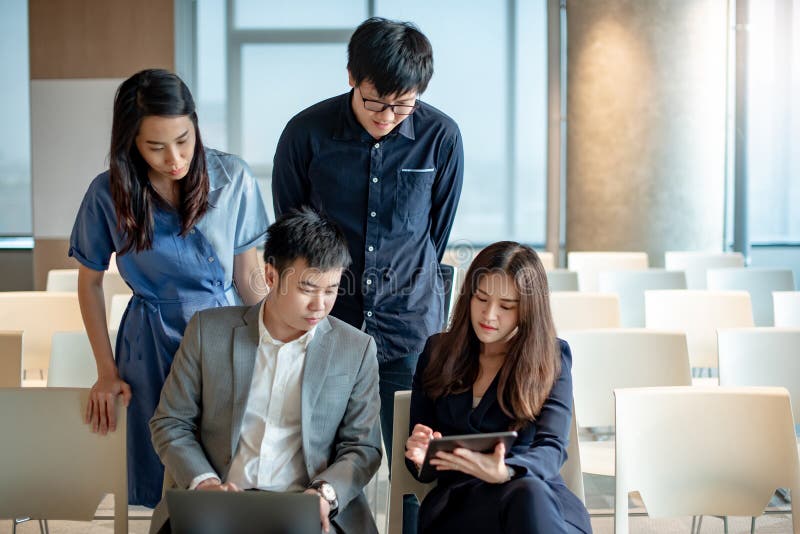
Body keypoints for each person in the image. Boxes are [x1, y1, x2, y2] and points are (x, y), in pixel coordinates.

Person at [272, 19, 463, 530]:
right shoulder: (306, 133)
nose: (388, 116)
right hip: (328, 328)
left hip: (409, 329)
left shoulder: (441, 138)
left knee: (416, 466)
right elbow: (293, 238)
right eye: (377, 102)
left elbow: (434, 234)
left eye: (403, 105)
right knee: (322, 462)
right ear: (352, 76)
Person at [69, 69, 270, 507]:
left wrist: (278, 341)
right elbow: (89, 283)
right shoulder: (108, 192)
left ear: (195, 124)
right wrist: (105, 370)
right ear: (131, 143)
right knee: (162, 475)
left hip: (226, 331)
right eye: (155, 147)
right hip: (150, 341)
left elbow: (248, 275)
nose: (175, 157)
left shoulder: (232, 177)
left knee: (230, 473)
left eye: (183, 139)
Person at [148, 208, 382, 534]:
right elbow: (170, 422)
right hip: (221, 501)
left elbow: (364, 448)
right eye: (307, 289)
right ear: (270, 276)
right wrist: (205, 485)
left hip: (306, 507)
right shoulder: (208, 331)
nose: (320, 305)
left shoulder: (355, 349)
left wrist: (324, 494)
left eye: (331, 290)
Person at [404, 241, 592, 534]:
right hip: (462, 505)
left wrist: (506, 471)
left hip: (538, 500)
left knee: (527, 492)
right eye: (481, 299)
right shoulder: (437, 352)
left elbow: (551, 448)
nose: (489, 315)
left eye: (506, 306)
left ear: (528, 311)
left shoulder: (551, 356)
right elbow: (423, 452)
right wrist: (419, 455)